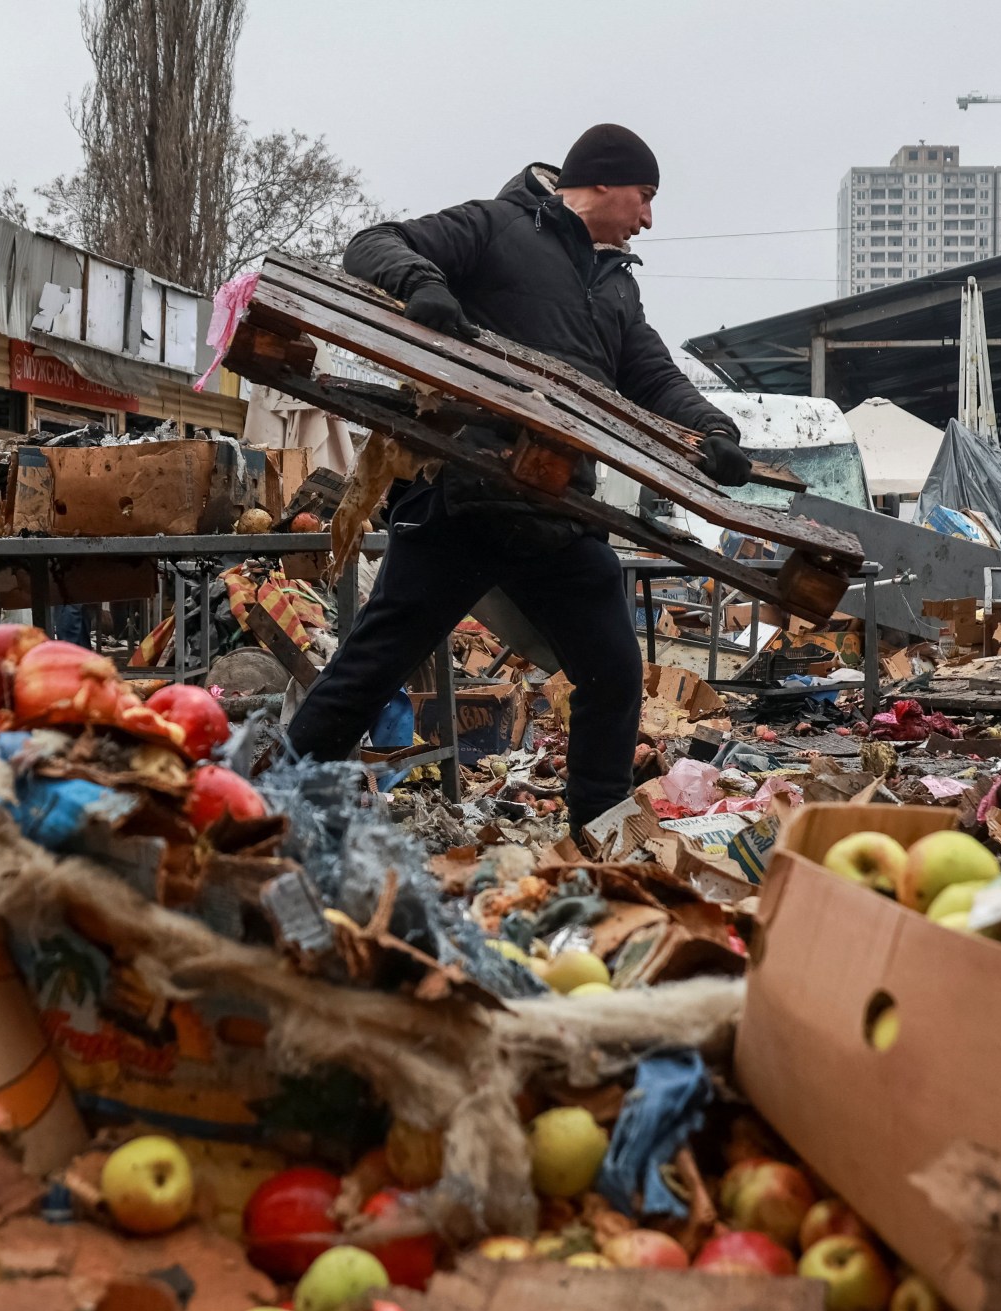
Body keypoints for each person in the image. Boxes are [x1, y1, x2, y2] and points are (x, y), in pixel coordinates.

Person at [284, 123, 750, 840]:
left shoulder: (617, 288)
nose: (648, 219)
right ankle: (273, 803)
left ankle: (597, 836)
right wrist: (424, 285)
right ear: (600, 181)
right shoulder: (498, 226)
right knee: (375, 665)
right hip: (460, 495)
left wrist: (712, 430)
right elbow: (373, 243)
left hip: (558, 510)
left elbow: (652, 374)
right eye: (644, 196)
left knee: (613, 672)